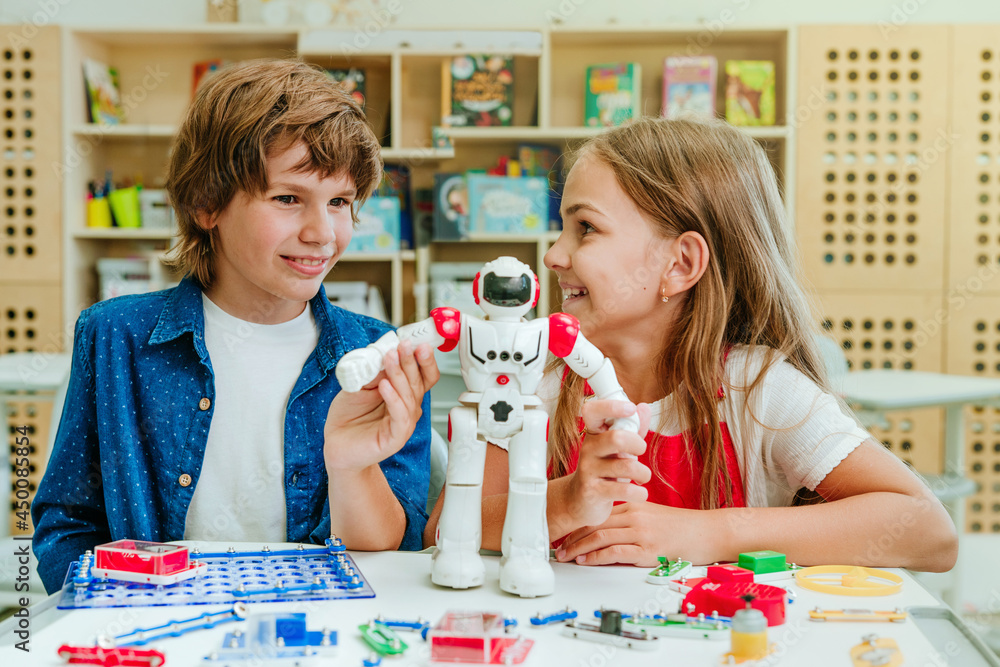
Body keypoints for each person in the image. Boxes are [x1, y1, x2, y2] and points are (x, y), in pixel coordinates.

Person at [424, 117, 958, 573]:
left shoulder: (757, 389)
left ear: (680, 265)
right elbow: (443, 531)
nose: (554, 256)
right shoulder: (533, 379)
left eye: (585, 228)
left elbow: (929, 531)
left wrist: (706, 534)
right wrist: (562, 503)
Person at [32, 59, 438, 593]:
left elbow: (393, 551)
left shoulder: (381, 352)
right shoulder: (114, 337)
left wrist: (350, 468)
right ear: (206, 204)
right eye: (289, 198)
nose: (323, 232)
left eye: (339, 202)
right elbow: (68, 525)